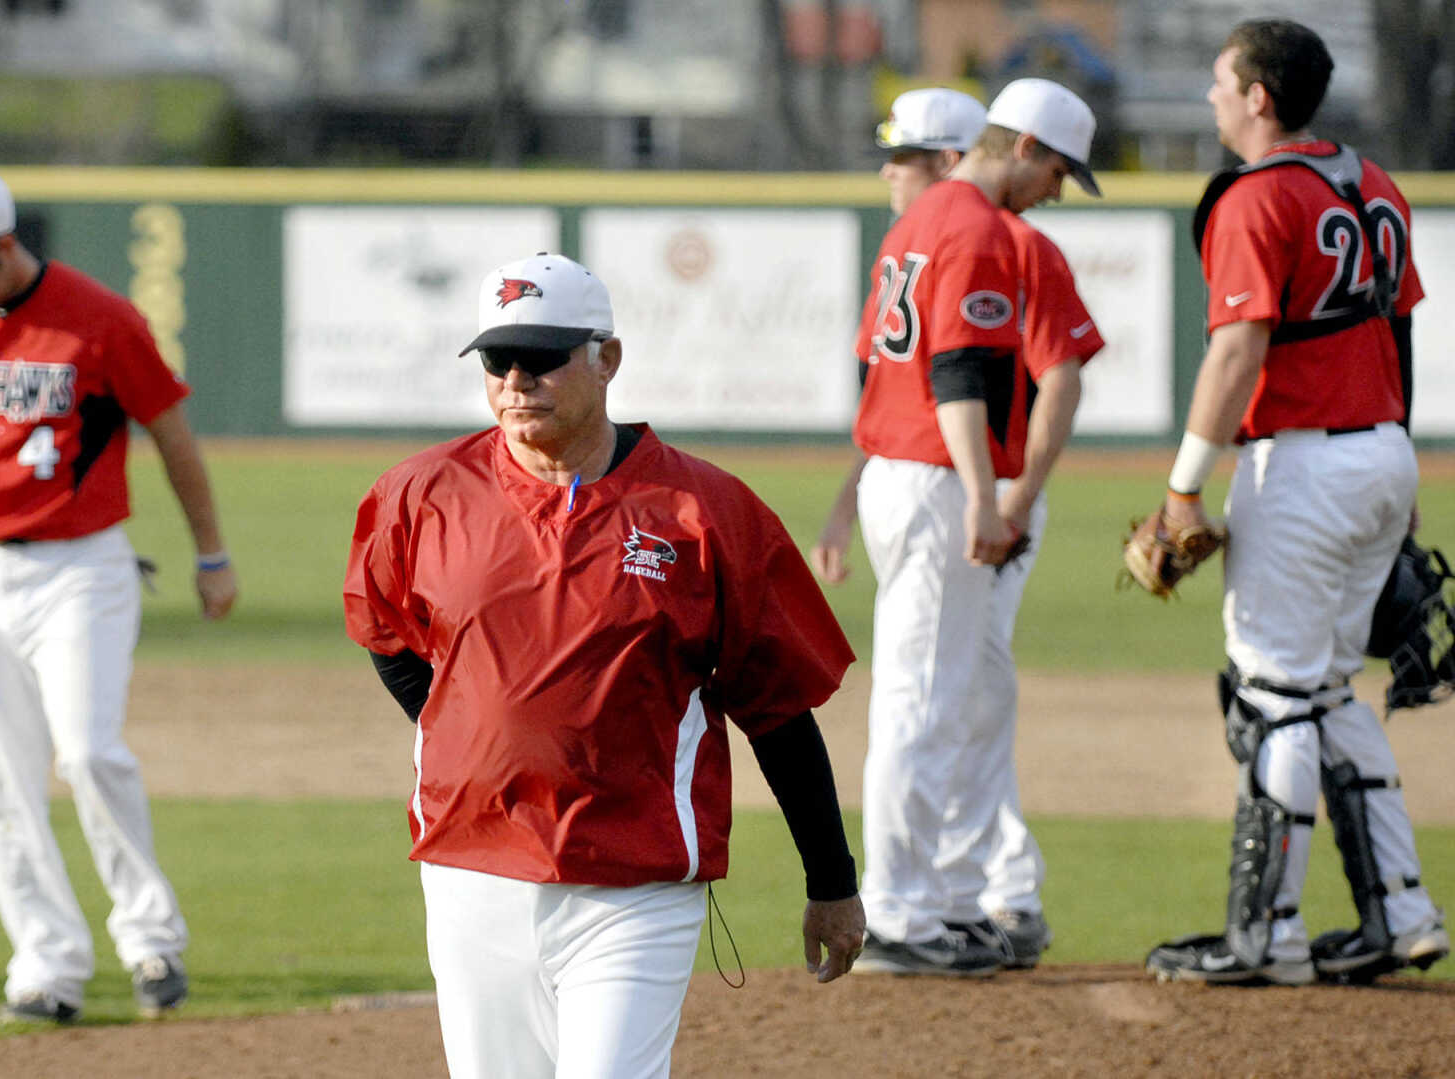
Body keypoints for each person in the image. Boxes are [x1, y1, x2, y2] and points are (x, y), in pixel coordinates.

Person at [343, 252, 865, 1078]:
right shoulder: (420, 494)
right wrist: (467, 730)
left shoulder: (707, 512)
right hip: (473, 865)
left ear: (606, 359)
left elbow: (777, 707)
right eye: (497, 360)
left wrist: (831, 877)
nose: (518, 380)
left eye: (544, 357)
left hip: (638, 876)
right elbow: (386, 634)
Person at [0, 165, 239, 1023]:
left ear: (4, 245)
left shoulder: (102, 319)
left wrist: (211, 554)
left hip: (83, 564)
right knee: (0, 777)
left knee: (86, 752)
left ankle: (151, 939)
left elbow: (171, 433)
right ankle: (47, 966)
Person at [1143, 18, 1449, 986]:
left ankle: (1263, 932)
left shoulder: (1256, 197)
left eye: (1219, 81)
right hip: (1383, 451)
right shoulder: (1372, 183)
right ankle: (1399, 912)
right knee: (1323, 687)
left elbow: (1236, 353)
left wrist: (1181, 490)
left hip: (1306, 460)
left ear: (1258, 97)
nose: (1211, 97)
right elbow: (1396, 331)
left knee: (1269, 692)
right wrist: (1400, 479)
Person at [821, 80, 1103, 977]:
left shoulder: (918, 219)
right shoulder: (977, 226)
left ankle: (941, 900)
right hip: (938, 480)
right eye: (1057, 167)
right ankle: (901, 910)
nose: (1058, 189)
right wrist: (987, 495)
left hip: (905, 477)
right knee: (923, 700)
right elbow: (957, 373)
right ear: (1022, 145)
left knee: (951, 693)